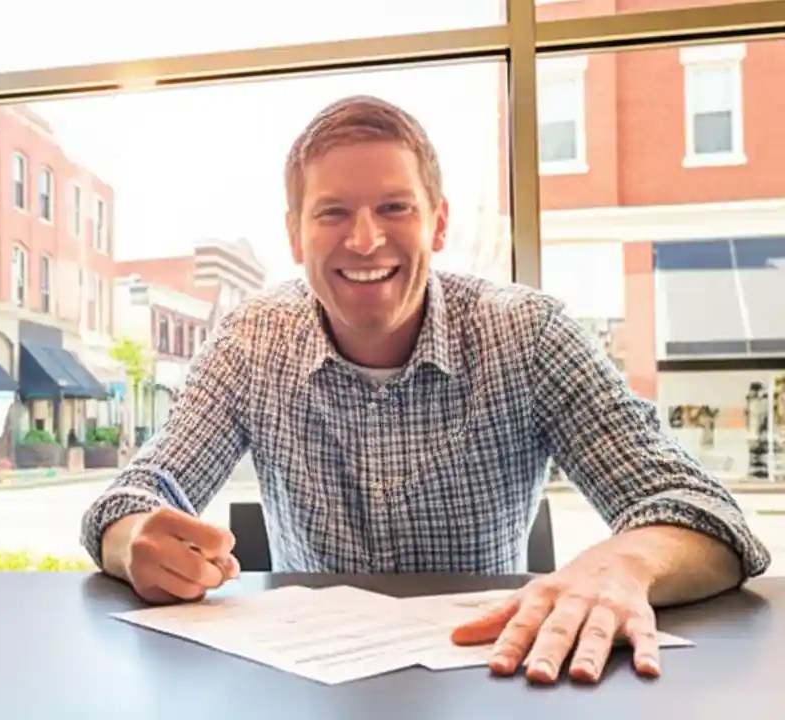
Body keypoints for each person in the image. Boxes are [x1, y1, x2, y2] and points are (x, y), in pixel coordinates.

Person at [79, 94, 771, 685]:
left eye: (394, 207)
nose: (364, 239)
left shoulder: (527, 335)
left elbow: (705, 515)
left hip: (494, 678)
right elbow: (130, 499)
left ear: (438, 223)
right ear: (294, 235)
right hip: (309, 683)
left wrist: (621, 566)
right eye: (332, 213)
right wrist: (136, 538)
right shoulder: (250, 342)